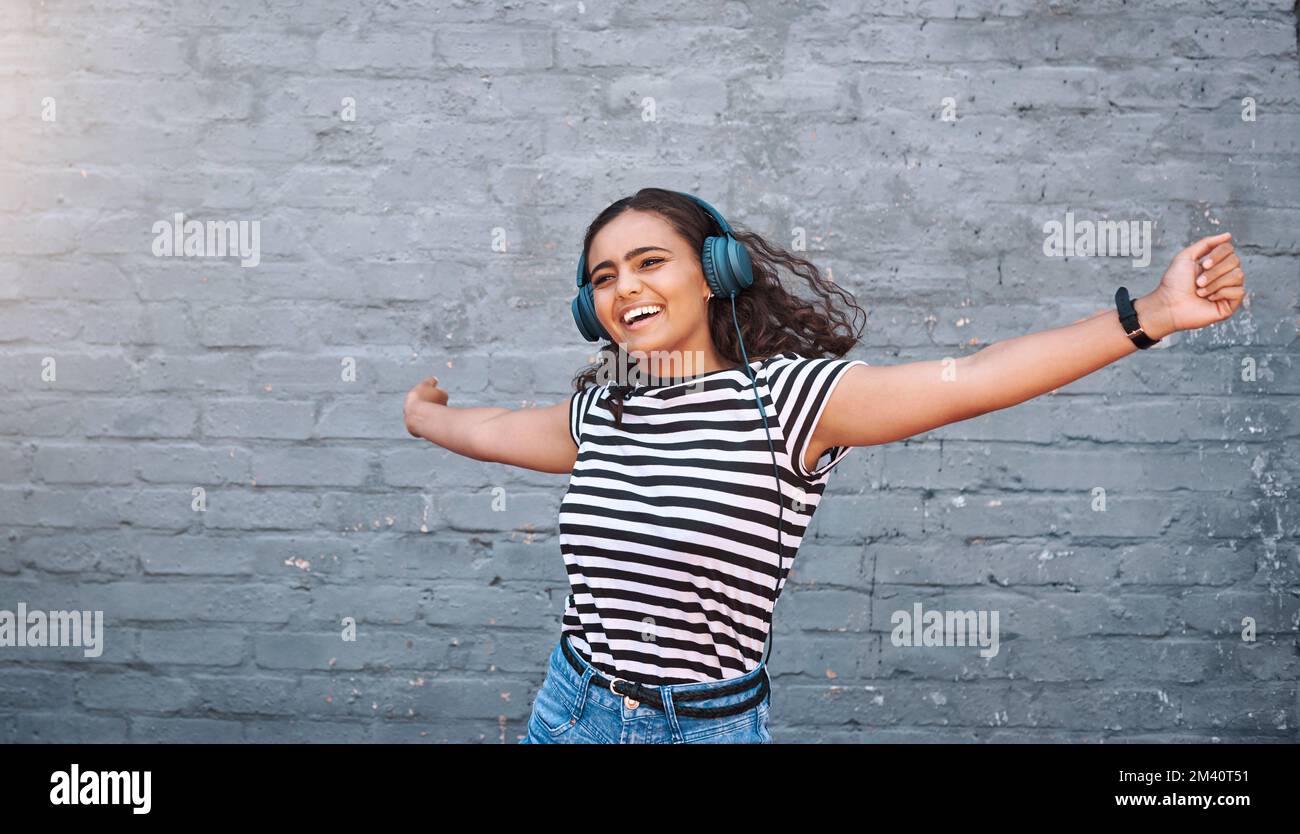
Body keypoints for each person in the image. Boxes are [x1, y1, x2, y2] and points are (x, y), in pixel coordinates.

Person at [403, 188, 1247, 743]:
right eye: (604, 277)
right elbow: (501, 428)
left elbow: (978, 379)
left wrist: (1153, 315)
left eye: (649, 262)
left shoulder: (792, 401)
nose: (625, 288)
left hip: (703, 727)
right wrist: (424, 416)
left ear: (714, 272)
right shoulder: (607, 405)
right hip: (572, 706)